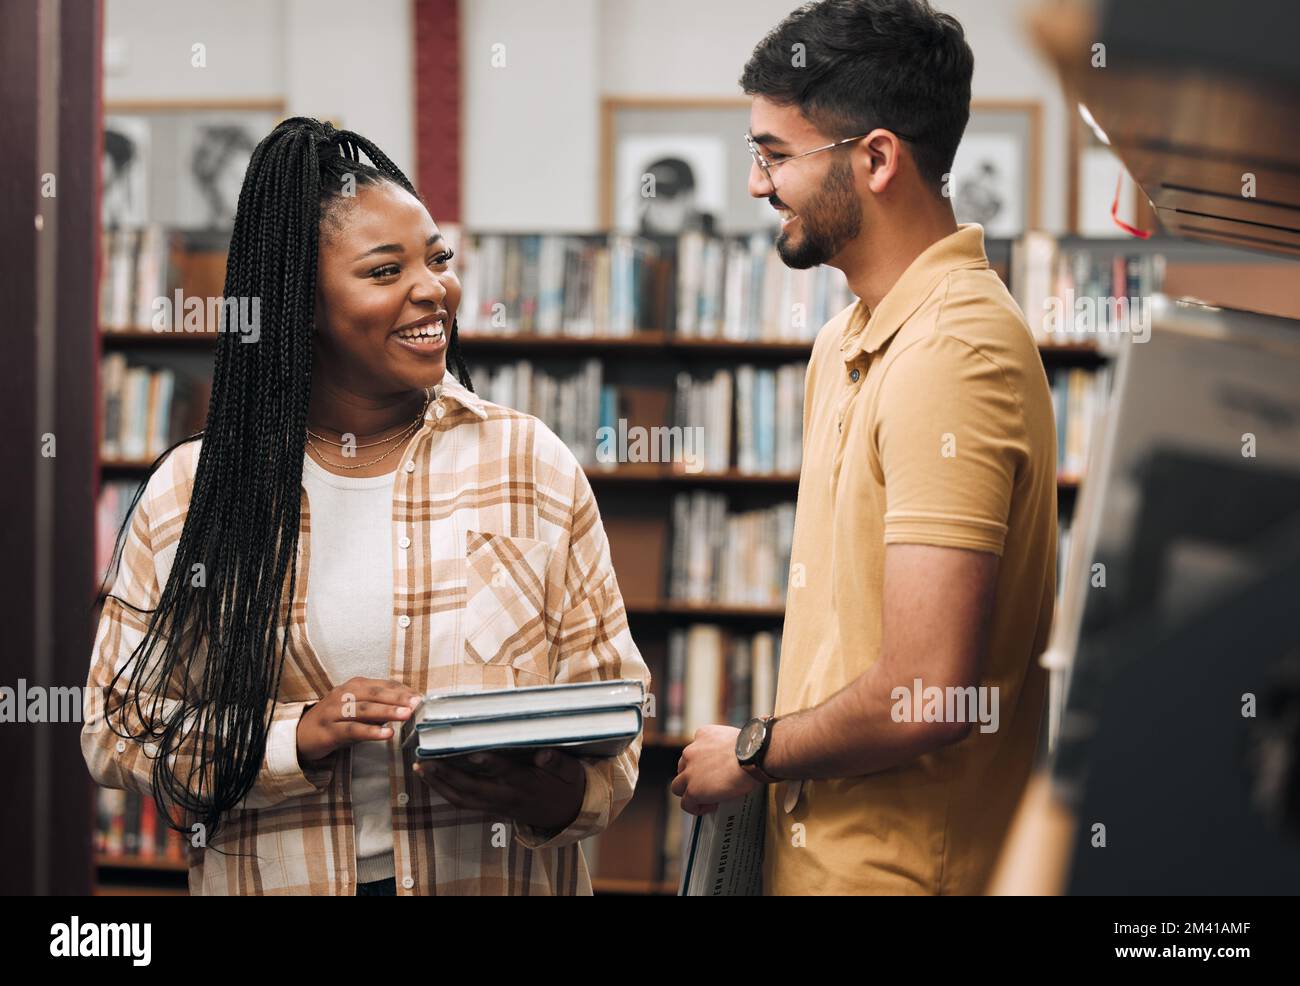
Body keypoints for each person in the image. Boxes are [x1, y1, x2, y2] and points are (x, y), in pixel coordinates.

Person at [82, 117, 649, 896]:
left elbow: (617, 722)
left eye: (438, 259)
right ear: (302, 305)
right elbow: (117, 730)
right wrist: (294, 738)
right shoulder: (193, 493)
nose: (433, 290)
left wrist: (555, 798)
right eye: (385, 272)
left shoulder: (529, 464)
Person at [672, 0, 1057, 895]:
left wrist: (755, 750)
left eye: (774, 156)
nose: (759, 186)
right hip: (817, 860)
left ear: (877, 158)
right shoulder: (850, 339)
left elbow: (925, 687)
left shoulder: (952, 351)